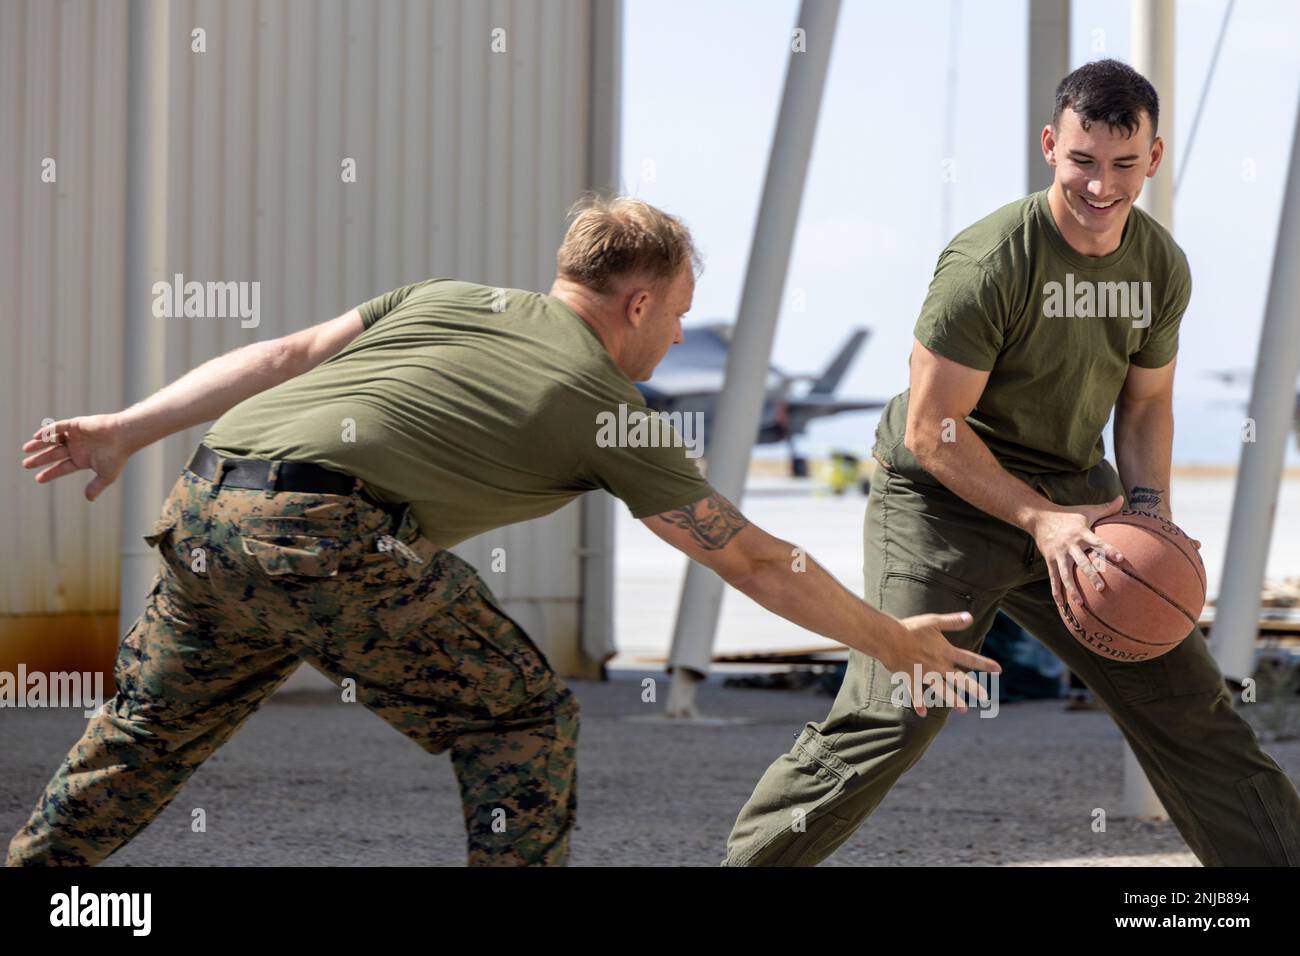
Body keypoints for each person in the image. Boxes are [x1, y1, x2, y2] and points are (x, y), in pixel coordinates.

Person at [9, 196, 987, 867]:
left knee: (145, 733)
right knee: (521, 719)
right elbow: (754, 559)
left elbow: (285, 352)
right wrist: (890, 640)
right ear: (636, 302)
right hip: (324, 533)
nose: (672, 339)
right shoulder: (604, 402)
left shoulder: (441, 298)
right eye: (677, 315)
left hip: (209, 501)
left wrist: (125, 429)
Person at [724, 59, 1300, 867]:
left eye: (1124, 165)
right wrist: (1040, 520)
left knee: (1191, 706)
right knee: (899, 711)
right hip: (943, 502)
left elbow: (1144, 404)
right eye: (1083, 161)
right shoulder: (991, 262)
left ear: (1155, 157)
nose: (1103, 185)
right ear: (1049, 147)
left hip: (1080, 502)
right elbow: (934, 429)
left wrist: (1145, 511)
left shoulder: (1160, 266)